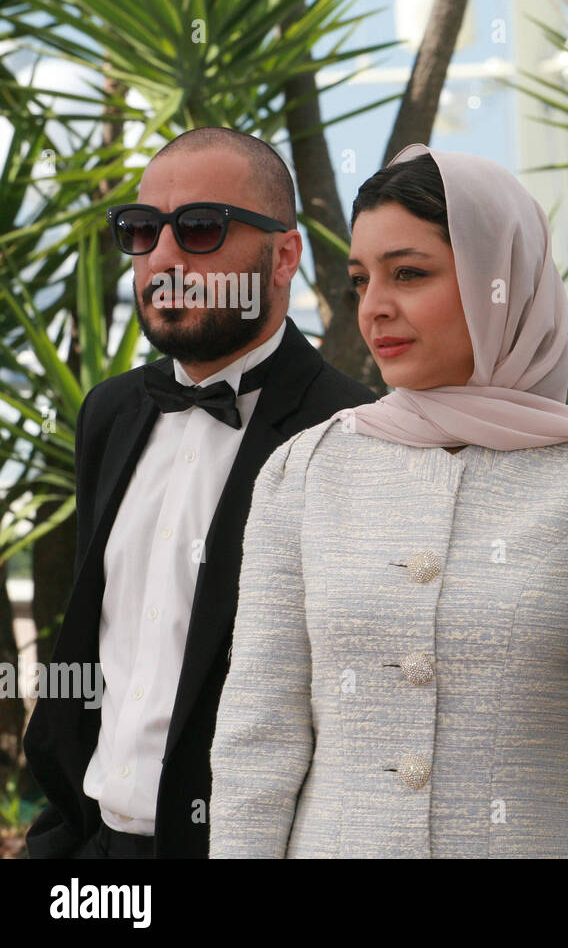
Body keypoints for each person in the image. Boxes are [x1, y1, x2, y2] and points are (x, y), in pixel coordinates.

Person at [207, 146, 568, 858]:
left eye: (410, 273)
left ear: (501, 279)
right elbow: (256, 740)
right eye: (360, 281)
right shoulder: (304, 473)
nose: (376, 307)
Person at [23, 127, 377, 858]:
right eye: (142, 230)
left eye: (202, 228)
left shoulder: (353, 435)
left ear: (283, 256)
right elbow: (95, 636)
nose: (164, 257)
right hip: (94, 851)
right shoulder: (109, 413)